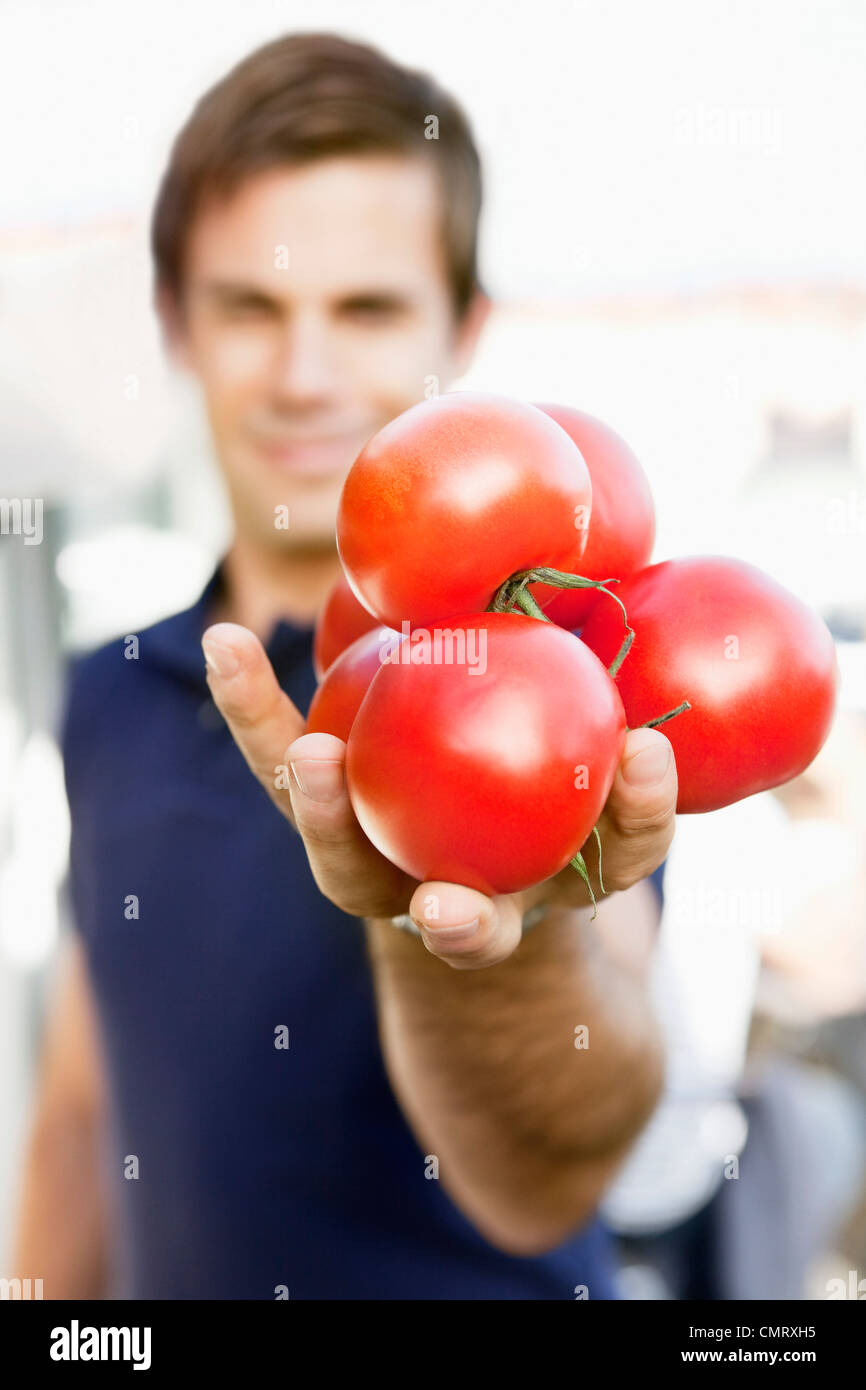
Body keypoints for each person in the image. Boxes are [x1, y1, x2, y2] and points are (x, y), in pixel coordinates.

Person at [10, 32, 675, 1300]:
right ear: (177, 327)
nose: (305, 378)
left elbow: (550, 1176)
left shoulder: (582, 685)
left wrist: (499, 934)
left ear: (461, 333)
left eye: (366, 310)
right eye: (250, 308)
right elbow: (87, 1113)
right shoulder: (109, 696)